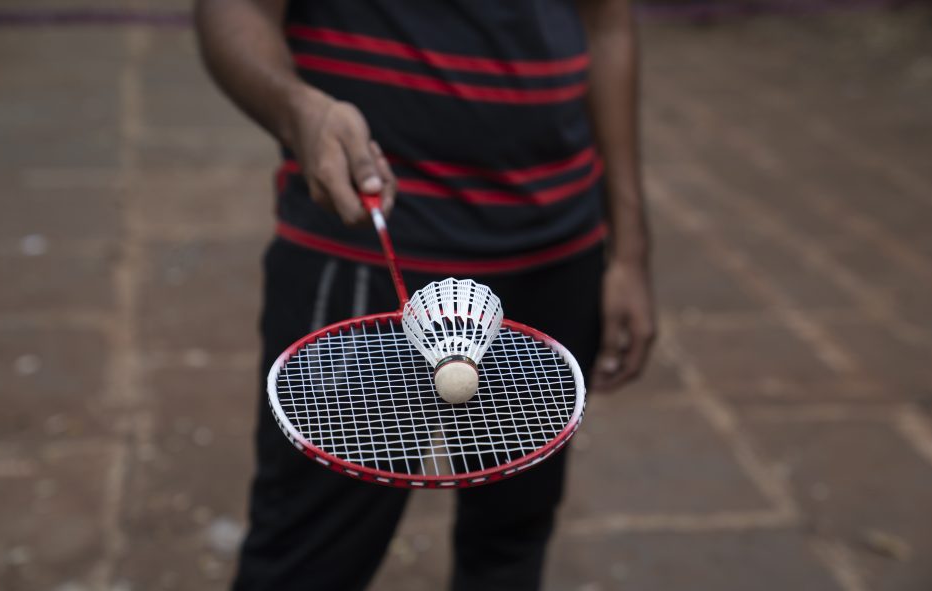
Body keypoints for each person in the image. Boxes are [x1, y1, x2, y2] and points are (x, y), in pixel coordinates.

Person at [195, 1, 655, 589]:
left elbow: (608, 25)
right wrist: (297, 111)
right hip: (371, 252)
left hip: (557, 249)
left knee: (513, 538)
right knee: (308, 559)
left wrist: (631, 251)